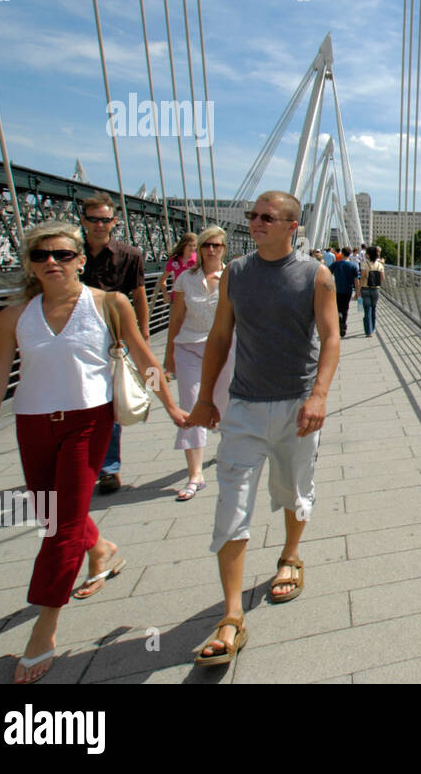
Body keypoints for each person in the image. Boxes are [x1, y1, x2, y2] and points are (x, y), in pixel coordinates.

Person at [0, 221, 186, 683]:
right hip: (33, 424)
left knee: (60, 529)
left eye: (63, 254)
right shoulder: (14, 317)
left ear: (81, 259)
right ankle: (101, 548)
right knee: (54, 516)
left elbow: (145, 358)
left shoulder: (108, 303)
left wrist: (174, 408)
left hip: (88, 421)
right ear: (30, 263)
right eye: (41, 255)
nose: (52, 262)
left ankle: (44, 628)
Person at [186, 191, 339, 666]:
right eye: (253, 216)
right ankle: (232, 617)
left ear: (292, 225)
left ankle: (291, 555)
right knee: (231, 506)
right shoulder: (235, 273)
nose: (255, 223)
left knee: (295, 490)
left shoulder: (317, 276)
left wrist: (319, 396)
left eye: (267, 217)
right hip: (245, 407)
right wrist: (204, 396)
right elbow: (220, 335)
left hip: (297, 406)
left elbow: (331, 337)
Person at [78, 194, 148, 495]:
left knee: (110, 401)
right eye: (93, 219)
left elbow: (139, 296)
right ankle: (78, 459)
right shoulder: (68, 252)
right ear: (83, 220)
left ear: (114, 222)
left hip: (112, 339)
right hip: (73, 335)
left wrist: (143, 336)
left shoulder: (129, 255)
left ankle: (108, 468)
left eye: (105, 219)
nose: (99, 225)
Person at [163, 225, 233, 501]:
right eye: (206, 245)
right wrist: (169, 354)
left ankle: (226, 444)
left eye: (216, 245)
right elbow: (177, 316)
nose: (211, 250)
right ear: (199, 249)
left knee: (223, 403)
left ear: (224, 249)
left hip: (223, 348)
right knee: (191, 406)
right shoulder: (185, 279)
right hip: (188, 348)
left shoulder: (231, 277)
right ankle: (195, 474)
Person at [153, 233, 198, 306]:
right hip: (177, 299)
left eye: (194, 246)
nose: (192, 248)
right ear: (184, 245)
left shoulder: (198, 260)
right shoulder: (174, 260)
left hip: (193, 300)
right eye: (189, 245)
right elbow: (162, 279)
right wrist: (165, 294)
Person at [356, 244, 386, 337]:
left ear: (369, 255)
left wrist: (358, 290)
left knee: (367, 309)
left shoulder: (364, 265)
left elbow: (362, 278)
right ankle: (373, 328)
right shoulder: (380, 265)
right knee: (374, 308)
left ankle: (368, 331)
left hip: (365, 289)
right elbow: (383, 278)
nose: (365, 255)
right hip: (375, 290)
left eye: (366, 253)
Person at [330, 246, 359, 338]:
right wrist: (357, 292)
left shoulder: (336, 264)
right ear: (350, 254)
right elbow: (356, 280)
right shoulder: (354, 265)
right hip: (348, 290)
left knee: (337, 308)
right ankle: (343, 325)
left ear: (342, 253)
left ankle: (339, 321)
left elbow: (327, 273)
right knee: (345, 308)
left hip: (337, 289)